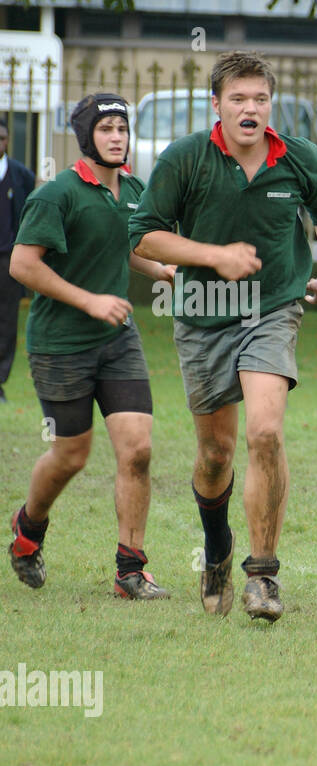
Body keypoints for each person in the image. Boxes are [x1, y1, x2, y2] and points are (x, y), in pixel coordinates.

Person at [129, 50, 317, 622]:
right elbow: (144, 237)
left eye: (260, 99)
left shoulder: (297, 157)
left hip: (273, 308)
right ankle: (217, 548)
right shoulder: (185, 159)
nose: (250, 109)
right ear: (216, 105)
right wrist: (213, 256)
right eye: (238, 99)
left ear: (270, 104)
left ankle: (263, 577)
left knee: (266, 433)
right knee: (214, 453)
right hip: (202, 312)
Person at [8, 94, 175, 598]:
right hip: (60, 344)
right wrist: (90, 301)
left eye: (123, 128)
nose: (118, 137)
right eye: (106, 128)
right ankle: (28, 531)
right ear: (87, 138)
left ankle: (131, 569)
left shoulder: (132, 190)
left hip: (117, 340)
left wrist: (159, 267)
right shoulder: (57, 194)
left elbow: (128, 244)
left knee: (138, 449)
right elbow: (22, 265)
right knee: (72, 456)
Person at [0, 117, 37, 404]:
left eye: (2, 137)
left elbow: (28, 214)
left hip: (8, 258)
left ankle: (0, 381)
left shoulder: (20, 174)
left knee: (7, 319)